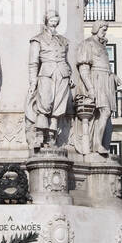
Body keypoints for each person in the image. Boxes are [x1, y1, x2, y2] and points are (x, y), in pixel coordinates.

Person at [25, 9, 72, 149]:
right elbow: (33, 63)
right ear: (46, 21)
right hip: (46, 73)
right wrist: (33, 82)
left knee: (58, 106)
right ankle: (40, 135)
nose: (53, 23)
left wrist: (70, 75)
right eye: (51, 20)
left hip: (62, 75)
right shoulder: (37, 39)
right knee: (44, 104)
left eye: (55, 20)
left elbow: (66, 60)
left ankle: (52, 136)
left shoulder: (63, 41)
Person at [75, 22, 117, 155]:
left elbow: (105, 65)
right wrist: (90, 88)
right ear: (96, 29)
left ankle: (99, 143)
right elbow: (83, 68)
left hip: (106, 80)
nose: (104, 32)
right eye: (103, 30)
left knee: (105, 113)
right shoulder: (87, 44)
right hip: (96, 80)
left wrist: (113, 76)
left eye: (105, 30)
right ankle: (97, 144)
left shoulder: (102, 45)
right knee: (105, 111)